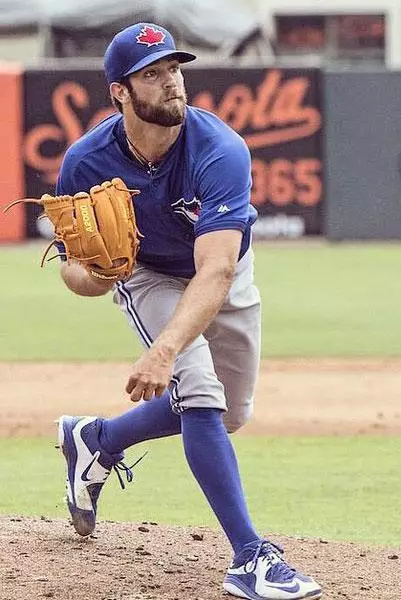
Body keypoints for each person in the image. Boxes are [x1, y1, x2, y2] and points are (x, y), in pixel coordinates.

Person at [54, 22, 322, 600]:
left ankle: (97, 440)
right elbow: (75, 273)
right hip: (147, 274)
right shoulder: (85, 163)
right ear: (119, 92)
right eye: (152, 74)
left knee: (228, 413)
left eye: (175, 69)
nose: (172, 83)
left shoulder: (219, 148)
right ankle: (250, 556)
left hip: (219, 271)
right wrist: (100, 273)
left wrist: (165, 349)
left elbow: (218, 270)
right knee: (199, 392)